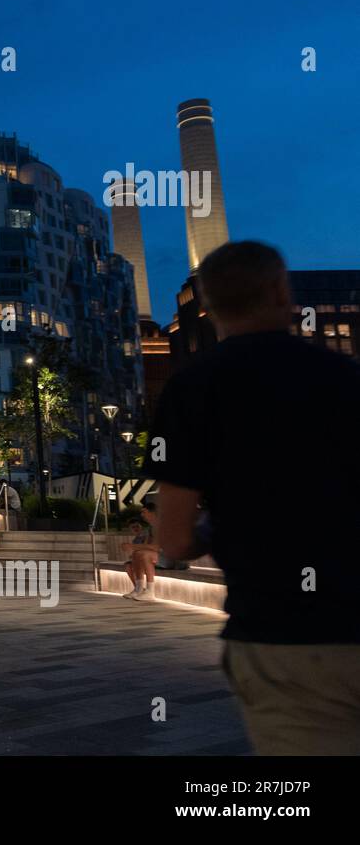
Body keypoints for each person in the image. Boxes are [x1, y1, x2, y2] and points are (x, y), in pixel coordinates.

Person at [146, 241, 360, 755]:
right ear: (282, 291)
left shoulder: (192, 389)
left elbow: (172, 538)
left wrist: (223, 526)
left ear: (209, 307)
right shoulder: (347, 379)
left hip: (281, 638)